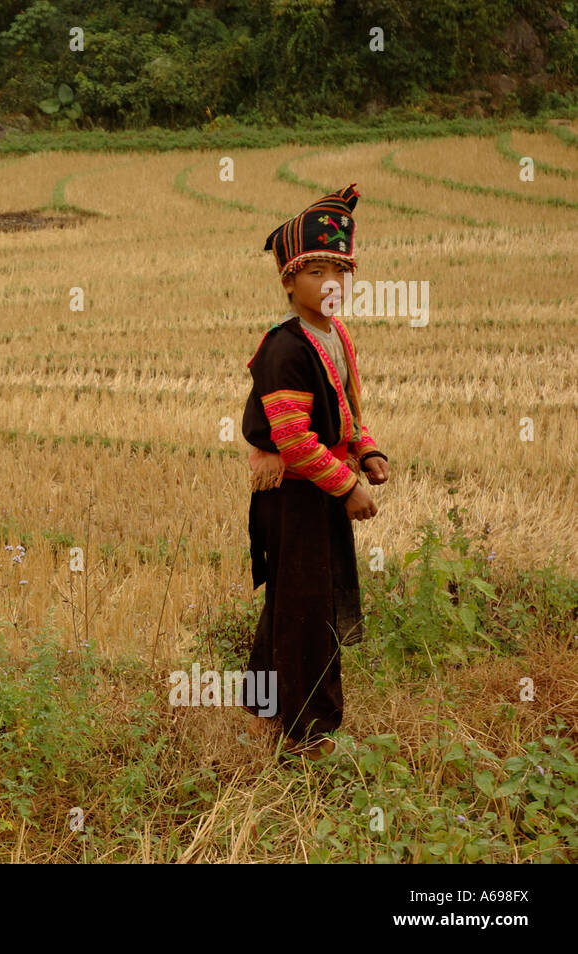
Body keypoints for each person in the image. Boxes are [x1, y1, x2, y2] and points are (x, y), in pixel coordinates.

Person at [240, 182, 391, 760]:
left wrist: (368, 449)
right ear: (288, 280)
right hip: (297, 495)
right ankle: (313, 733)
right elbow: (294, 440)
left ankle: (261, 710)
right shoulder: (286, 347)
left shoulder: (335, 335)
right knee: (309, 609)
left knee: (292, 599)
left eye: (341, 271)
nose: (332, 283)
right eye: (317, 270)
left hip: (319, 487)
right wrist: (347, 485)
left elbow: (347, 410)